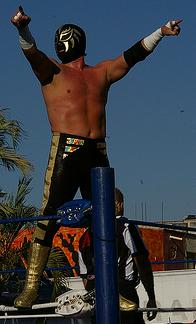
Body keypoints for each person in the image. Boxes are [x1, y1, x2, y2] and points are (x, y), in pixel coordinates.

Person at [11, 5, 182, 308]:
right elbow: (31, 54)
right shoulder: (53, 71)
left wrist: (161, 33)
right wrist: (22, 29)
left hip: (97, 151)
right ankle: (31, 285)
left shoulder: (99, 73)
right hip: (67, 149)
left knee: (105, 222)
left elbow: (131, 57)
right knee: (49, 216)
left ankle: (111, 286)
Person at [78, 188, 157, 324]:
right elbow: (141, 260)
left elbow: (85, 277)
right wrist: (151, 296)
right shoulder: (126, 227)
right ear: (120, 205)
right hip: (123, 289)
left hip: (95, 294)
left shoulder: (84, 237)